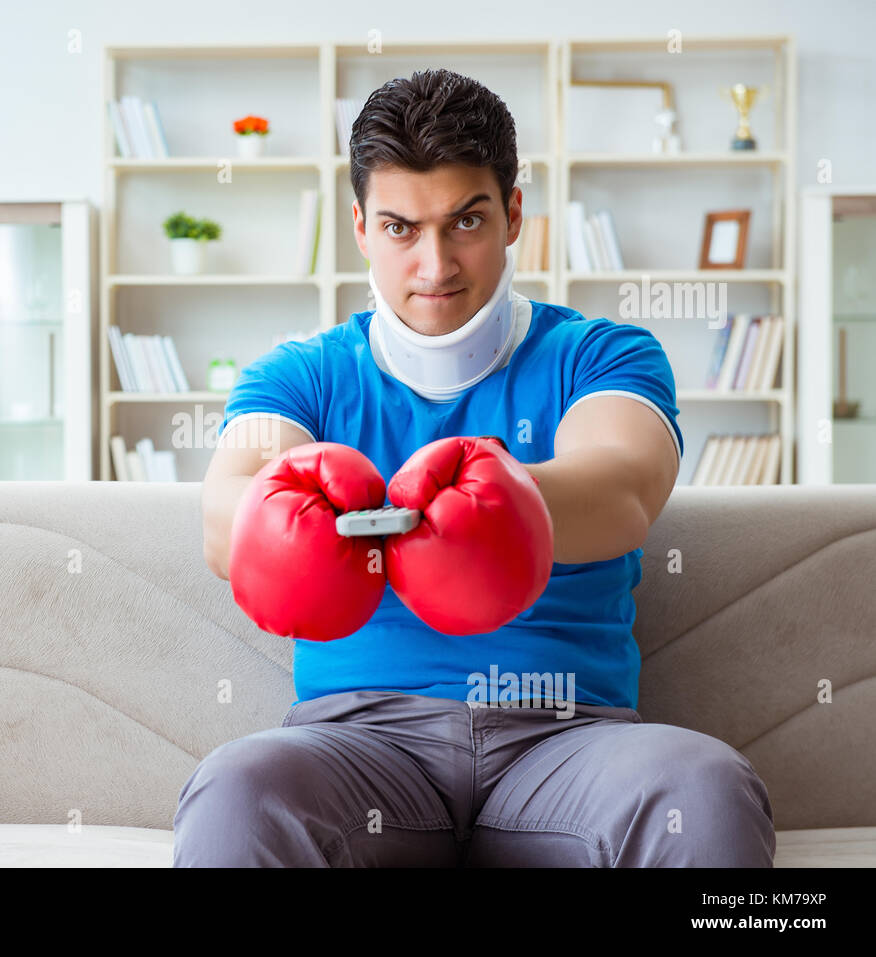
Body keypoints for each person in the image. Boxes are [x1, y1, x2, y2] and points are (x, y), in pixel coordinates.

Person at [177, 68, 775, 867]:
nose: (433, 265)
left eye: (464, 221)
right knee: (236, 789)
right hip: (360, 748)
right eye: (400, 228)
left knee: (704, 786)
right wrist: (307, 524)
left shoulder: (602, 354)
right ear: (359, 226)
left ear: (513, 213)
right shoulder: (297, 375)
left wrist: (486, 501)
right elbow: (225, 521)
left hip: (567, 743)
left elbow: (625, 485)